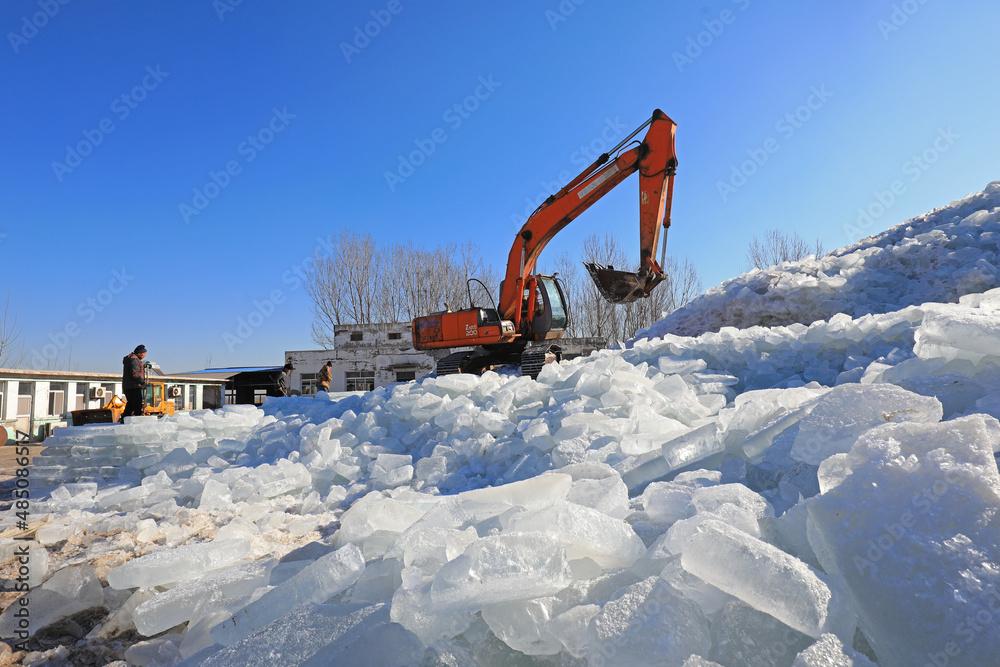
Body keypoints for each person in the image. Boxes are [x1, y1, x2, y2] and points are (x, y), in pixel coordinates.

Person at [122, 345, 147, 421]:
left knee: (131, 404)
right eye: (144, 353)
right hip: (133, 386)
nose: (145, 355)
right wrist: (142, 382)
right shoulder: (134, 360)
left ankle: (125, 419)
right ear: (139, 353)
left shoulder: (131, 359)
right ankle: (138, 419)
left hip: (128, 386)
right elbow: (135, 373)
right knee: (137, 403)